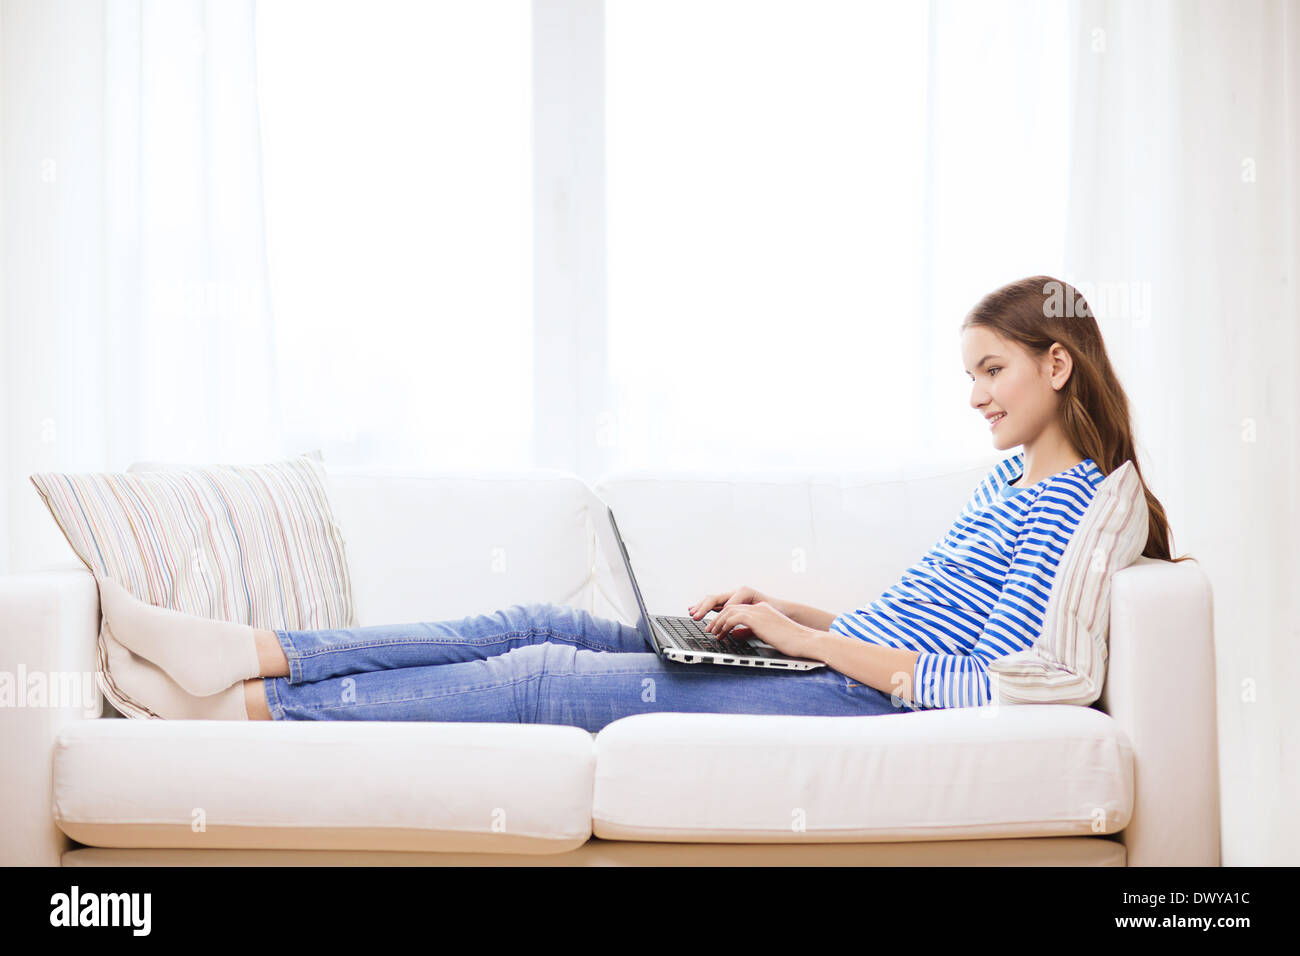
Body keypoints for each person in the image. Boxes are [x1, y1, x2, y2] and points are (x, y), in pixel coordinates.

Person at [98, 275, 1191, 728]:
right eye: (969, 374)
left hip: (849, 703)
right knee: (527, 620)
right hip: (819, 658)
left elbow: (977, 684)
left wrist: (803, 650)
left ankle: (239, 709)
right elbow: (911, 619)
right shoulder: (1009, 481)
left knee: (539, 677)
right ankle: (247, 648)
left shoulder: (1073, 507)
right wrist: (793, 612)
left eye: (991, 371)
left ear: (1057, 365)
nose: (974, 397)